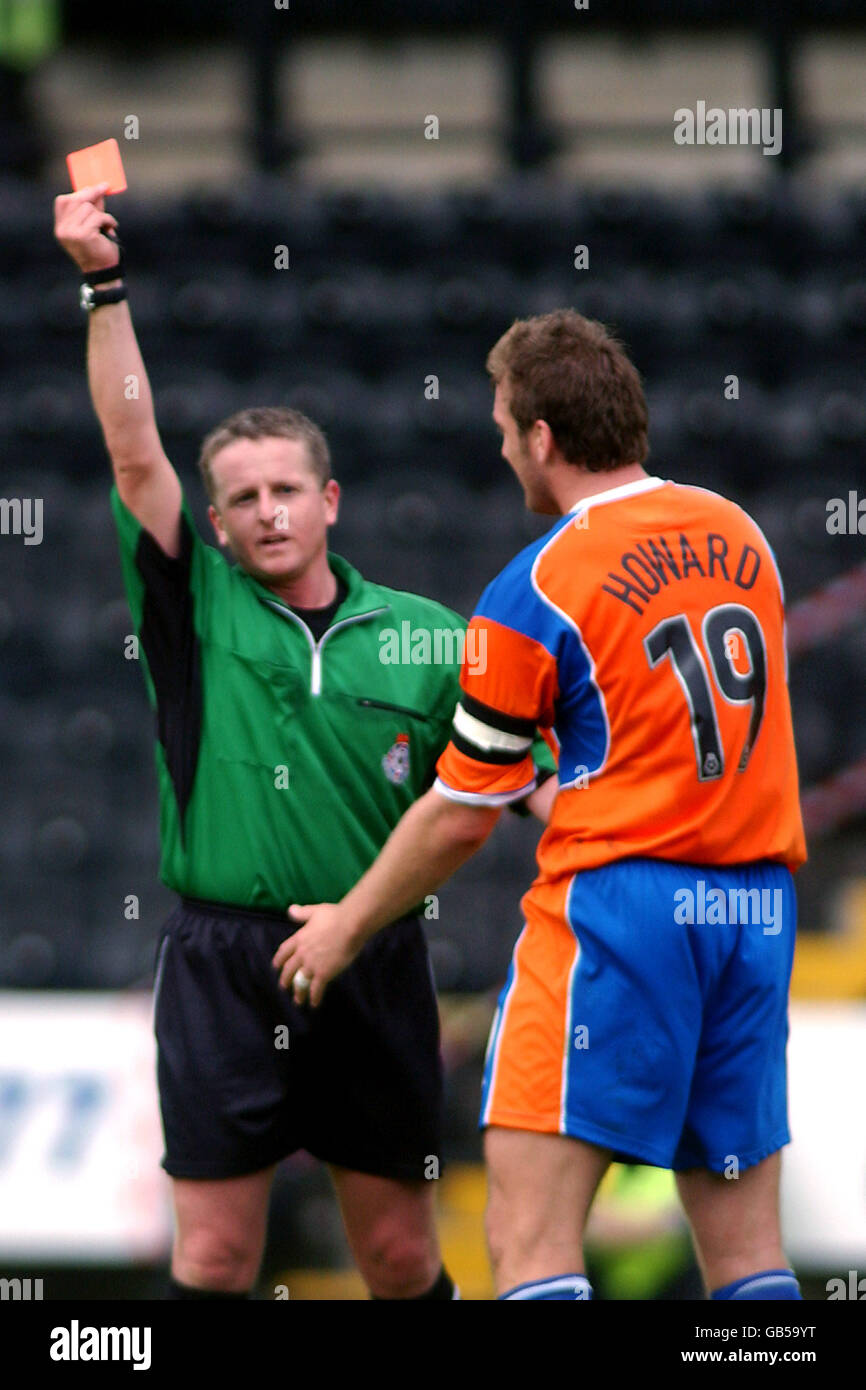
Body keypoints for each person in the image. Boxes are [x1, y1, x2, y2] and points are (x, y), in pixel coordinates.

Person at [53, 183, 556, 1301]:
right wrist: (103, 283)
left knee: (396, 1259)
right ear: (217, 524)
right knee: (218, 1259)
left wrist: (598, 827)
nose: (267, 510)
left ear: (329, 499)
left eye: (288, 488)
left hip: (372, 959)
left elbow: (511, 782)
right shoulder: (195, 612)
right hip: (219, 967)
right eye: (242, 498)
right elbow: (135, 452)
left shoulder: (432, 635)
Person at [276, 308, 808, 1302]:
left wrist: (345, 925)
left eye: (501, 428)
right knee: (747, 1259)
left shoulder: (533, 588)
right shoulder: (739, 533)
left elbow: (459, 811)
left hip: (619, 917)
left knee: (529, 1247)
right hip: (752, 912)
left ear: (541, 438)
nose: (499, 447)